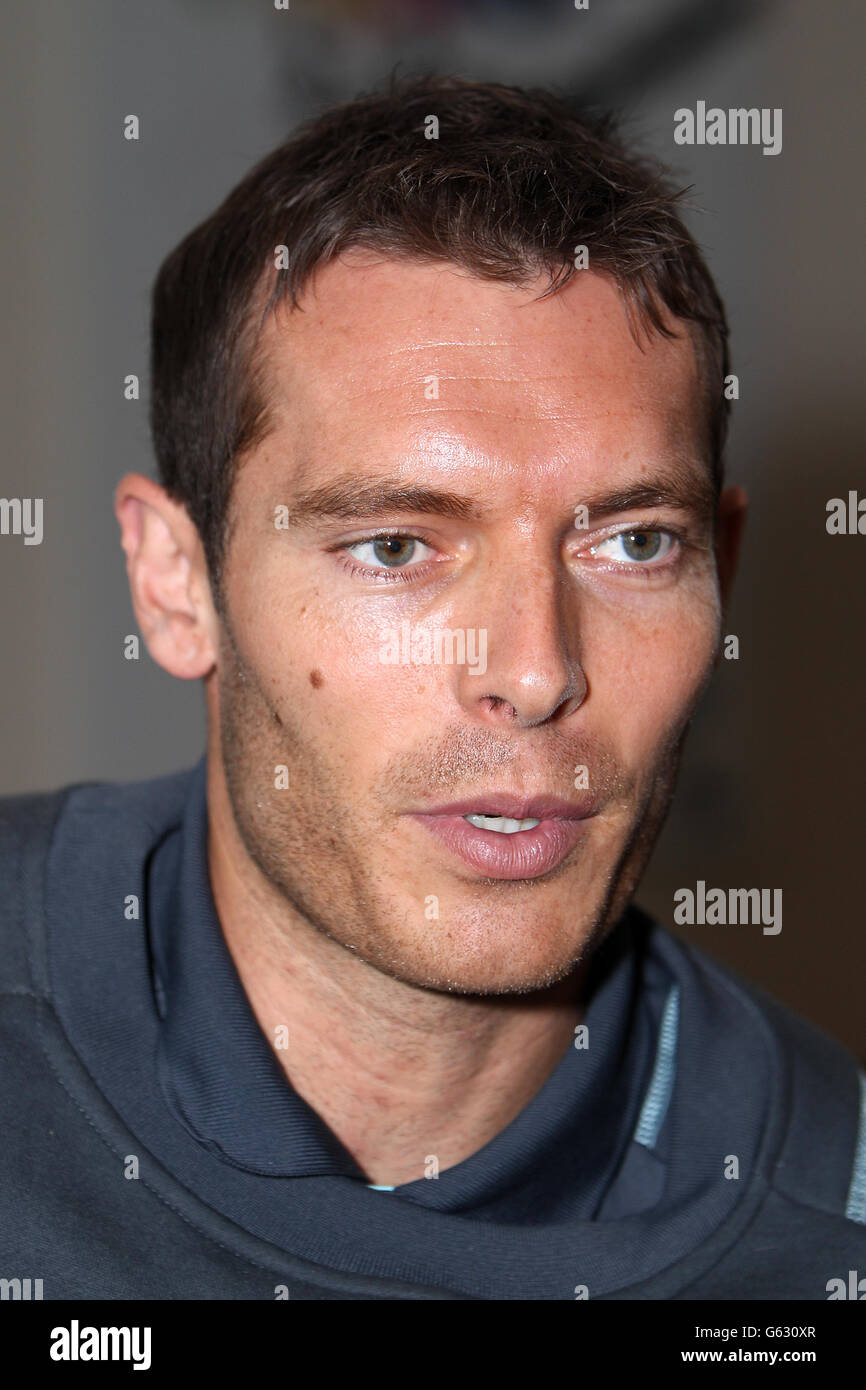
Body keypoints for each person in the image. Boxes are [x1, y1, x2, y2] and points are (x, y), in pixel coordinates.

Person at [1, 74, 863, 1301]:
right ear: (174, 583)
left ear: (718, 571)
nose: (535, 670)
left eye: (631, 544)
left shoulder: (826, 1235)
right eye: (396, 546)